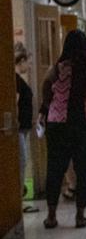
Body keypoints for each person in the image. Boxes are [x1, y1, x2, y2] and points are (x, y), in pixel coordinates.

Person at [37, 29, 86, 229]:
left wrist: (45, 110)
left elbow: (46, 91)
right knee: (84, 169)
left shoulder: (57, 69)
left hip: (58, 125)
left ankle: (51, 215)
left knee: (55, 168)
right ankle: (80, 216)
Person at [14, 43, 36, 212]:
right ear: (20, 61)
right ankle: (17, 204)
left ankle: (18, 202)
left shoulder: (18, 80)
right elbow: (14, 105)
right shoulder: (15, 81)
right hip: (18, 131)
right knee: (21, 163)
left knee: (22, 163)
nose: (29, 66)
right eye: (28, 62)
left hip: (23, 129)